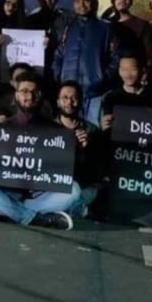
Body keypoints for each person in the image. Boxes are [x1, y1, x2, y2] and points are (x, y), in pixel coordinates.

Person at [0, 72, 82, 230]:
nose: (29, 96)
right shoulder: (2, 128)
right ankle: (36, 219)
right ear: (16, 95)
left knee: (74, 191)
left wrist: (78, 148)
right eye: (24, 91)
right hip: (8, 193)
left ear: (40, 96)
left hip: (39, 195)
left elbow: (66, 171)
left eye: (34, 92)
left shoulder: (55, 130)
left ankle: (5, 213)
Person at [52, 0, 117, 127]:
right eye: (77, 1)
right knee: (69, 132)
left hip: (95, 93)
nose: (82, 5)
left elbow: (115, 59)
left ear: (93, 1)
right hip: (69, 93)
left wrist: (102, 78)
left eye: (85, 0)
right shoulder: (68, 27)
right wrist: (59, 76)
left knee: (93, 132)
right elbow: (58, 55)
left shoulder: (105, 28)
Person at [53, 81, 106, 217]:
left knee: (94, 192)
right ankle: (72, 210)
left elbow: (98, 172)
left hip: (81, 186)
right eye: (65, 98)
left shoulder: (93, 131)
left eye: (74, 98)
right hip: (54, 187)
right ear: (58, 102)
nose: (69, 103)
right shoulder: (48, 129)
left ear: (81, 101)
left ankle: (66, 210)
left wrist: (86, 149)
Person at [102, 0, 152, 83]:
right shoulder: (105, 24)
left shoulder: (142, 24)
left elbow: (149, 52)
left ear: (131, 0)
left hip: (134, 75)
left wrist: (147, 71)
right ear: (113, 0)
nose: (122, 0)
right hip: (110, 75)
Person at [100, 54, 152, 133]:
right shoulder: (111, 98)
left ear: (142, 70)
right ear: (119, 71)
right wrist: (104, 125)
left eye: (132, 69)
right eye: (124, 70)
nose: (128, 74)